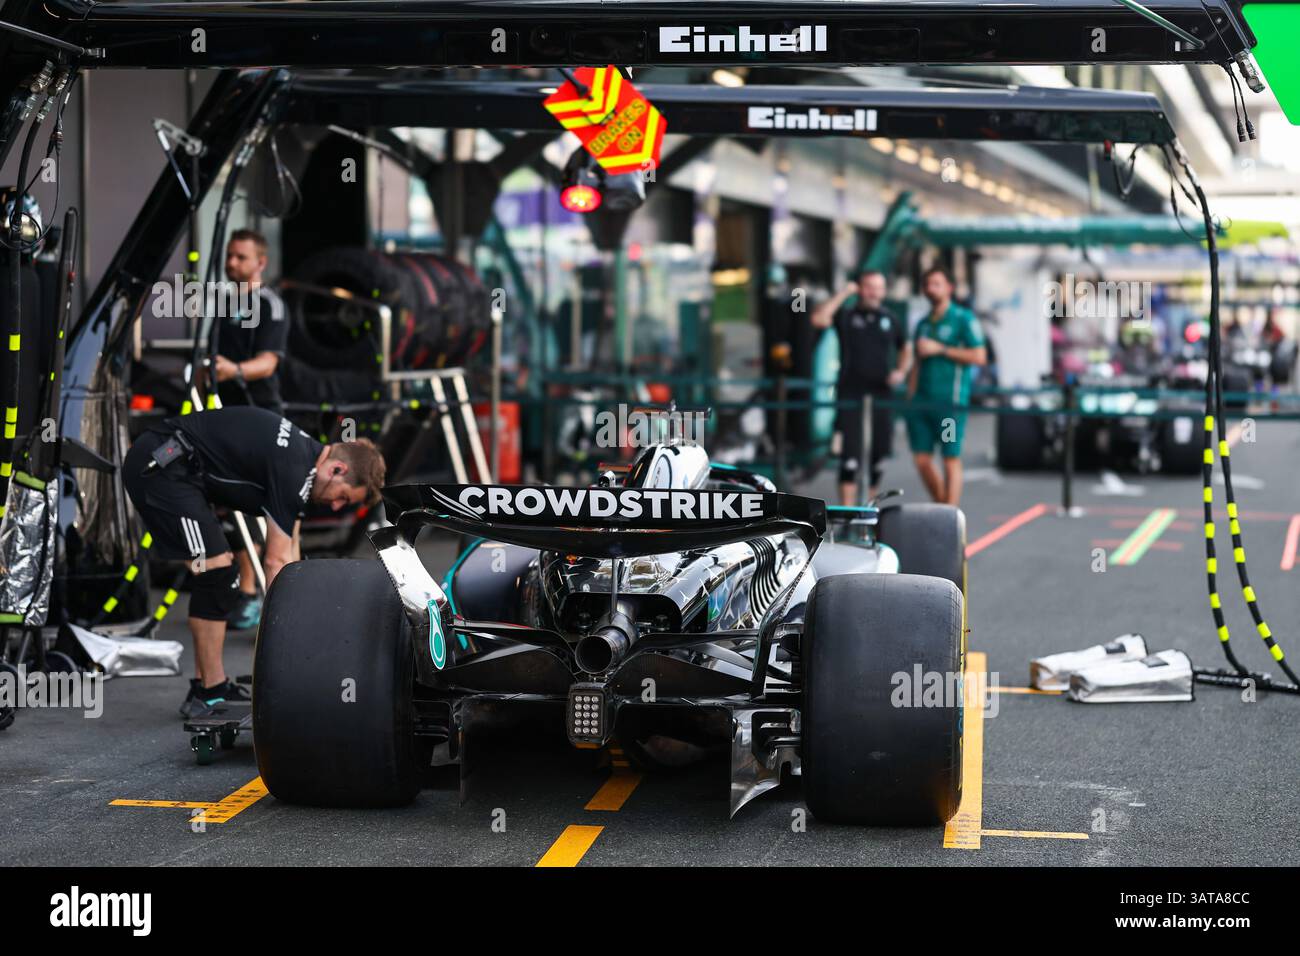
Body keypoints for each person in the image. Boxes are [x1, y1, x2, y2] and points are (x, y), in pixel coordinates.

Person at [122, 406, 386, 718]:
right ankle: (209, 692)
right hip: (161, 468)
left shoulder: (305, 459)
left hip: (181, 470)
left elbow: (291, 553)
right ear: (338, 470)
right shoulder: (295, 471)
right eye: (343, 497)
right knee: (217, 574)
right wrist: (288, 634)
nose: (337, 505)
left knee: (218, 572)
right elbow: (275, 562)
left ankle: (206, 685)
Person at [203, 229, 289, 632]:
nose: (232, 263)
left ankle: (257, 595)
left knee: (257, 504)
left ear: (260, 263)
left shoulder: (269, 305)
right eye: (230, 256)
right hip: (226, 415)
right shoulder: (223, 304)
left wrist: (232, 370)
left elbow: (268, 364)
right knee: (226, 504)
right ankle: (244, 591)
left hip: (262, 416)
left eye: (241, 257)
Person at [812, 269, 911, 505]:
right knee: (850, 459)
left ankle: (866, 513)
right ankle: (847, 516)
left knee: (877, 458)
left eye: (878, 288)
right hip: (851, 396)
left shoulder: (890, 319)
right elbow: (818, 319)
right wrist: (845, 292)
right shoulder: (846, 316)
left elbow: (906, 347)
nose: (873, 293)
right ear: (860, 288)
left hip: (881, 396)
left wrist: (900, 371)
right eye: (869, 287)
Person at [905, 267, 987, 506]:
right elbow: (917, 362)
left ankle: (949, 514)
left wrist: (940, 349)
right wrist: (910, 395)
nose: (931, 288)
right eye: (927, 284)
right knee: (921, 459)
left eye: (937, 284)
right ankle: (942, 506)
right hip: (921, 402)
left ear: (949, 287)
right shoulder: (922, 323)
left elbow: (979, 356)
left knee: (950, 457)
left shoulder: (963, 319)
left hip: (949, 402)